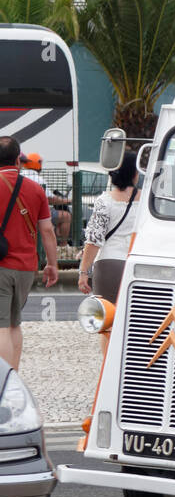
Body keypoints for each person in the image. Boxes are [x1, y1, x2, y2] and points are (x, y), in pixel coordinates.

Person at [0, 137, 58, 369]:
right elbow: (47, 230)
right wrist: (52, 264)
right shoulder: (36, 189)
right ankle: (12, 377)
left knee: (1, 326)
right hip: (26, 266)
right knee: (15, 324)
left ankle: (2, 383)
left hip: (1, 265)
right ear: (18, 160)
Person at [78, 148, 140, 341]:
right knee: (135, 322)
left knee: (108, 325)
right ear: (135, 173)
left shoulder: (104, 201)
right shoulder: (146, 201)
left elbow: (94, 240)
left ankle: (108, 368)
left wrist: (83, 272)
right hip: (136, 264)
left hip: (108, 265)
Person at [20, 153, 70, 243]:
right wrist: (67, 200)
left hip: (23, 212)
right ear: (38, 163)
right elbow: (50, 199)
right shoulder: (38, 179)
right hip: (39, 213)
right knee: (66, 216)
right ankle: (63, 246)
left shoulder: (20, 175)